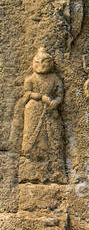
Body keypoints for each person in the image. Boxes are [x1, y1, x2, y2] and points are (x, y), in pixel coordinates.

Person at [9, 47, 64, 183]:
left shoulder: (55, 79)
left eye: (44, 62)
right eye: (37, 62)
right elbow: (27, 94)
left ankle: (53, 170)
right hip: (33, 109)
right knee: (32, 137)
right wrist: (39, 96)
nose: (41, 65)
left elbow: (59, 95)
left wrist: (55, 102)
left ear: (50, 63)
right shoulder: (31, 78)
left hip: (50, 111)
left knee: (52, 137)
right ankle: (30, 169)